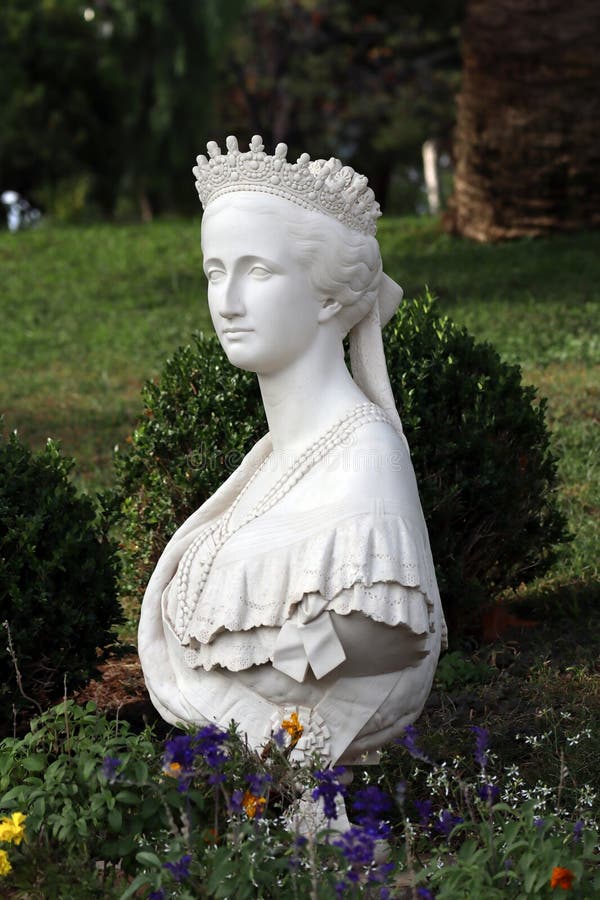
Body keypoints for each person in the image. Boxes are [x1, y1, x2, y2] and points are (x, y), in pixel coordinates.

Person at [138, 136, 446, 769]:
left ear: (330, 293)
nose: (226, 302)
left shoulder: (363, 459)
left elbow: (389, 635)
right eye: (214, 272)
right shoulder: (272, 462)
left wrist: (287, 655)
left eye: (257, 271)